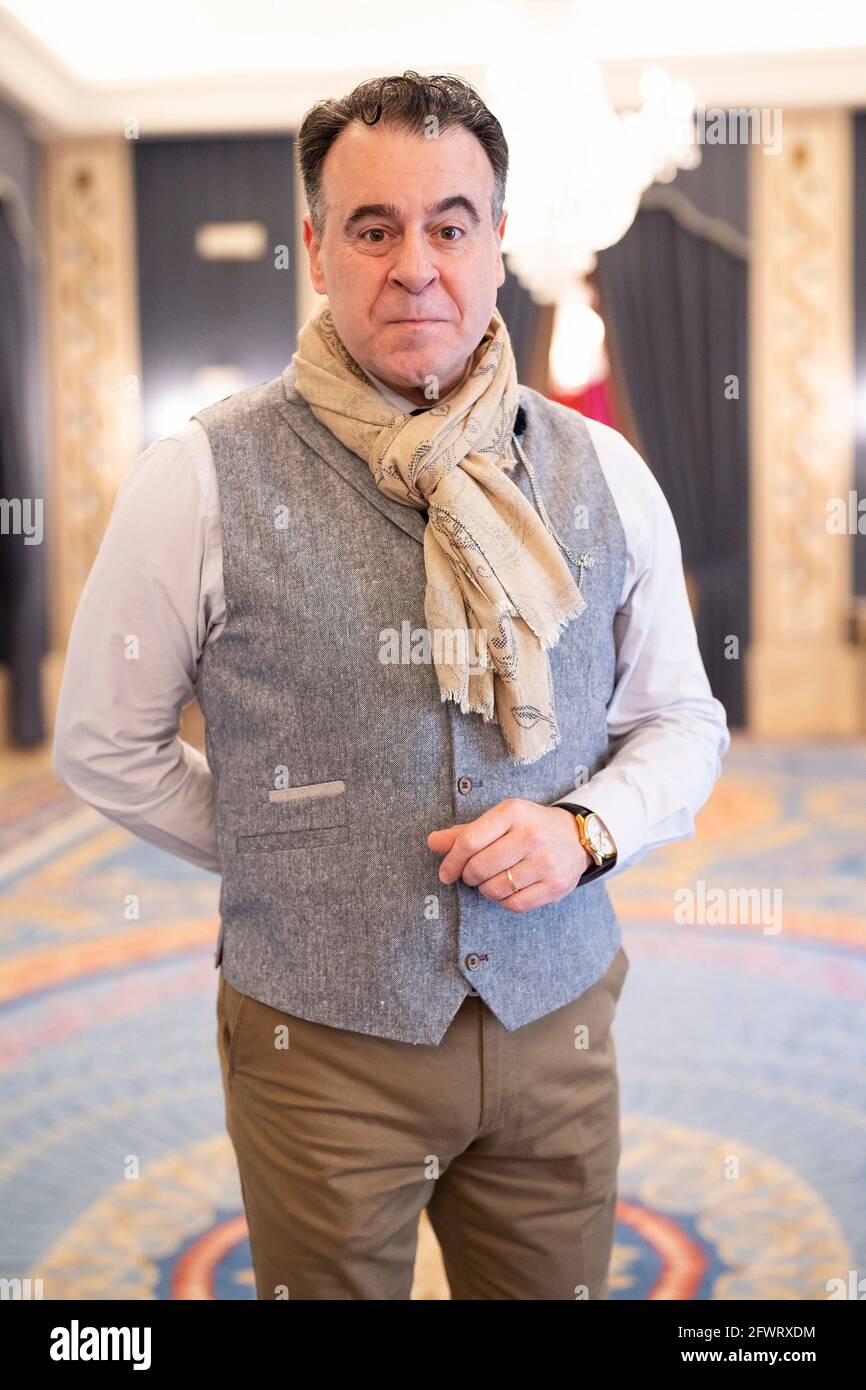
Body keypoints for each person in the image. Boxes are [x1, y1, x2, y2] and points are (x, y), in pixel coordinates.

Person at [52, 71, 730, 1300]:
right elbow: (105, 742)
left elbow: (679, 719)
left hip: (556, 1025)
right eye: (372, 227)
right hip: (319, 1052)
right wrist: (285, 844)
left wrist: (585, 832)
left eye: (448, 224)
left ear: (496, 242)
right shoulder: (198, 475)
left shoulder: (607, 471)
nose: (414, 263)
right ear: (316, 249)